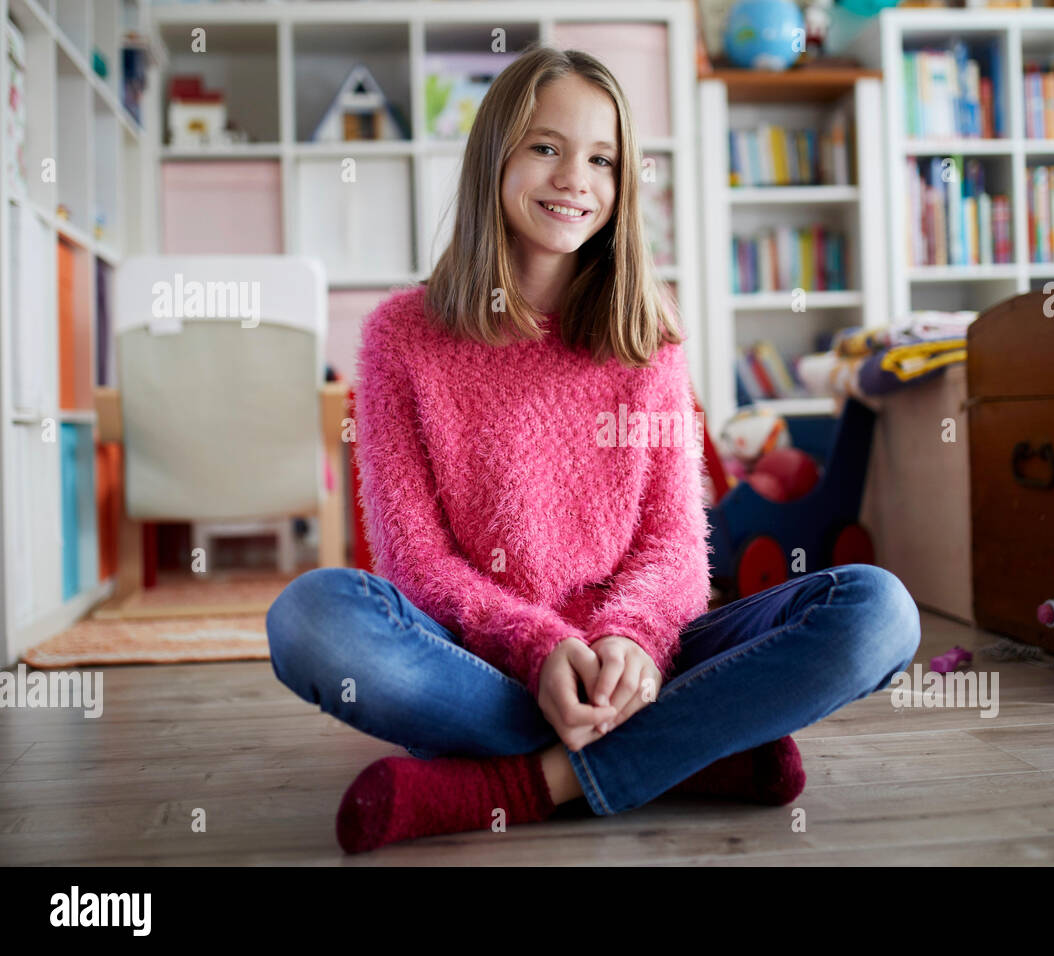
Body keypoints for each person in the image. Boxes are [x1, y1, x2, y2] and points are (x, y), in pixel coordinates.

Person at [265, 44, 921, 855]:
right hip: (484, 664)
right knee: (310, 619)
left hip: (639, 662)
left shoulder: (649, 338)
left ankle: (524, 785)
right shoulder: (401, 337)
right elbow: (416, 561)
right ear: (493, 160)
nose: (577, 178)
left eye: (603, 159)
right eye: (547, 147)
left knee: (878, 612)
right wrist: (540, 647)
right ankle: (694, 753)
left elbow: (676, 546)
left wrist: (629, 642)